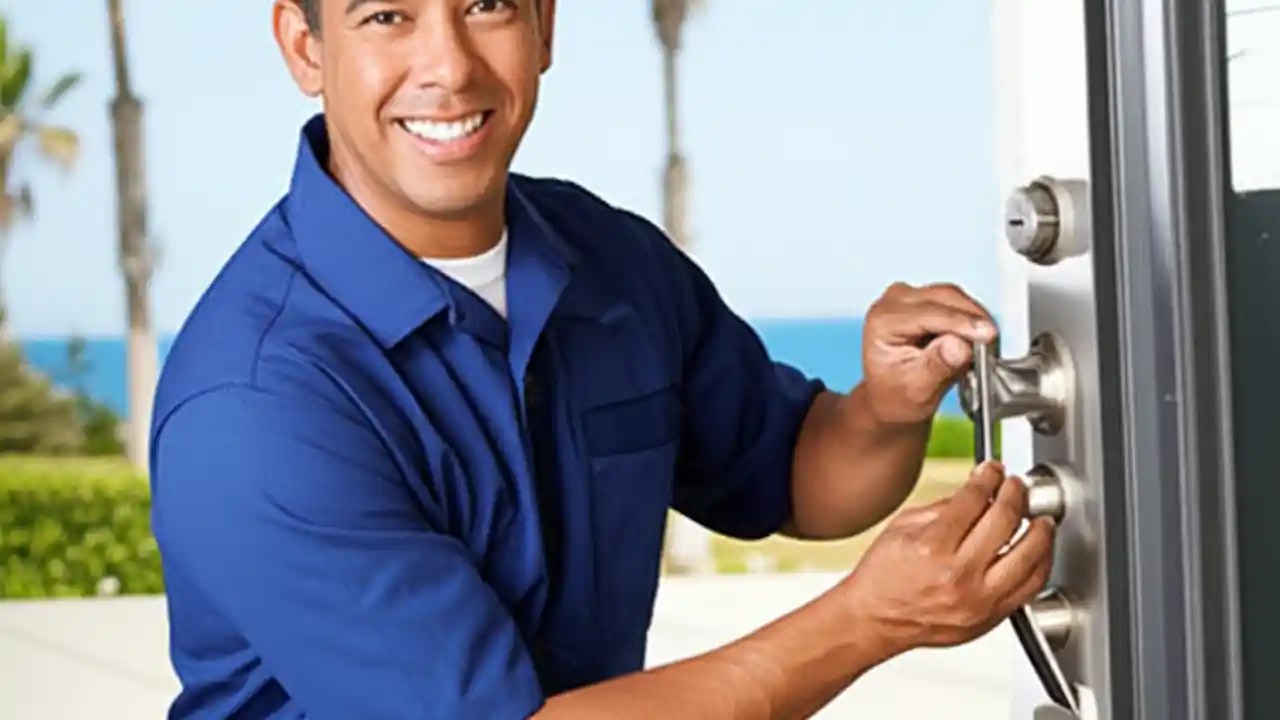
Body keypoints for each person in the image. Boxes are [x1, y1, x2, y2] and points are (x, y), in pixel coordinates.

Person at [148, 1, 1055, 717]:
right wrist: (868, 620)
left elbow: (798, 477)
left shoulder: (608, 258)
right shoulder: (259, 402)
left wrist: (883, 409)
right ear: (305, 48)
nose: (449, 65)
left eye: (488, 5)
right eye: (387, 15)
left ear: (544, 25)